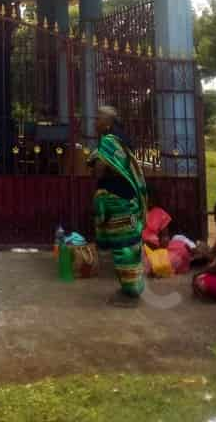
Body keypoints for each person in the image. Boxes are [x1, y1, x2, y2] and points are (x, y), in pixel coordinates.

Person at [89, 105, 149, 307]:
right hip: (127, 200)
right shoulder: (121, 139)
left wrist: (95, 159)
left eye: (97, 118)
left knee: (123, 248)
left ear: (107, 122)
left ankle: (131, 294)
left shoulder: (108, 141)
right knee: (129, 245)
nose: (94, 122)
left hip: (119, 200)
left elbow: (99, 171)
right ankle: (131, 288)